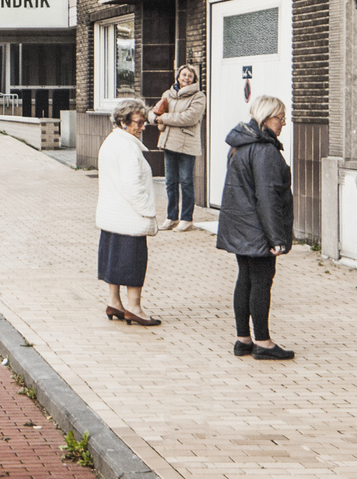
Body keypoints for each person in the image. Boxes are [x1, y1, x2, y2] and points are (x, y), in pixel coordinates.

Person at [215, 94, 294, 360]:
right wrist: (276, 238)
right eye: (280, 118)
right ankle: (263, 342)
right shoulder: (264, 150)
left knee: (245, 279)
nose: (283, 123)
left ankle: (243, 339)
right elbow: (268, 196)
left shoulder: (239, 144)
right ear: (266, 117)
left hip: (239, 225)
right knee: (261, 282)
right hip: (259, 228)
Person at [96, 97, 162, 326]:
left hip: (112, 215)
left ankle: (114, 301)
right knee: (134, 262)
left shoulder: (111, 141)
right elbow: (133, 185)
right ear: (124, 121)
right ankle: (134, 307)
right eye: (139, 122)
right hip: (129, 216)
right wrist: (148, 211)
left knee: (113, 259)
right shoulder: (127, 148)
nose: (143, 126)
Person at [156, 64, 206, 230]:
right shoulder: (168, 94)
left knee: (186, 182)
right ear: (178, 76)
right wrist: (154, 117)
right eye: (184, 75)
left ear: (194, 79)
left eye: (190, 76)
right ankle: (171, 217)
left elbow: (189, 118)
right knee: (170, 182)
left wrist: (164, 118)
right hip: (169, 142)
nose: (186, 78)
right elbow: (154, 113)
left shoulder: (198, 97)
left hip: (186, 144)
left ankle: (186, 218)